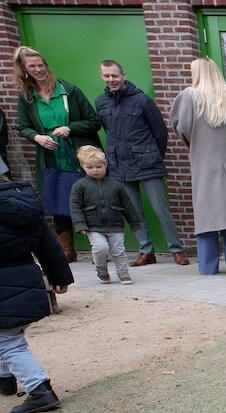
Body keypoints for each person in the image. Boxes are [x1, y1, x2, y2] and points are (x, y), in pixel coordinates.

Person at [13, 46, 103, 263]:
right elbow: (23, 126)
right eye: (32, 66)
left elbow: (94, 121)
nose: (38, 69)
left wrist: (69, 128)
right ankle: (67, 250)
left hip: (78, 155)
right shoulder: (26, 97)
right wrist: (36, 137)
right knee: (57, 199)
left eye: (41, 65)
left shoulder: (69, 90)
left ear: (46, 65)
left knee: (88, 198)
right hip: (51, 156)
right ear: (24, 70)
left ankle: (99, 248)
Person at [95, 59, 189, 267]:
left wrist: (152, 156)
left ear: (123, 75)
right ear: (102, 76)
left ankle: (177, 249)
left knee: (160, 208)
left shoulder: (142, 100)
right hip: (120, 165)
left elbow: (160, 132)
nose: (111, 79)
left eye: (115, 75)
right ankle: (146, 251)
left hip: (147, 163)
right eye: (106, 76)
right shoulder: (101, 102)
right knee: (133, 212)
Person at [170, 57, 226, 275]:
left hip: (203, 164)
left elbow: (181, 128)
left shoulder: (188, 97)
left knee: (207, 216)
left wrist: (197, 143)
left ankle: (208, 267)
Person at [0, 180, 73, 413]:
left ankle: (40, 390)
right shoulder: (28, 207)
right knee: (8, 336)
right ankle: (6, 379)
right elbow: (49, 247)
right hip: (28, 282)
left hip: (4, 288)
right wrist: (59, 277)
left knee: (9, 343)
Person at [69, 145, 142, 285]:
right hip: (93, 225)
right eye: (90, 167)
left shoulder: (116, 185)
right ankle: (101, 269)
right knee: (100, 248)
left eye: (99, 166)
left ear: (105, 165)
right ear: (82, 166)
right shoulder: (80, 186)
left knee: (118, 251)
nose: (95, 170)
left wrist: (134, 223)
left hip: (115, 225)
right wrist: (80, 224)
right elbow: (75, 207)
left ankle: (123, 273)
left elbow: (127, 205)